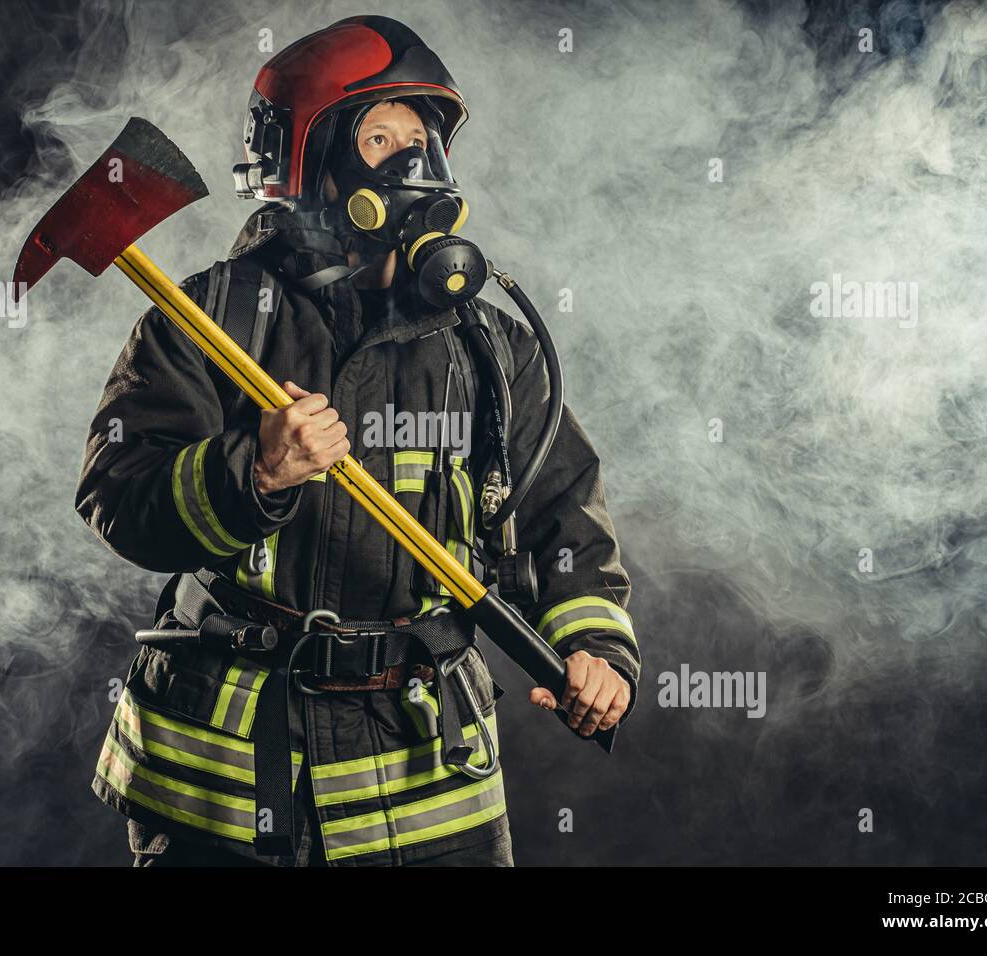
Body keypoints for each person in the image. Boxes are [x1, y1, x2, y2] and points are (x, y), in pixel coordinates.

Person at [76, 15, 640, 867]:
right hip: (222, 789)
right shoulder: (208, 317)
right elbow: (117, 496)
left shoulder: (489, 347)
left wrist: (594, 648)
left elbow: (565, 519)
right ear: (313, 161)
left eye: (425, 142)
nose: (416, 165)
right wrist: (254, 473)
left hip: (423, 784)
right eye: (382, 138)